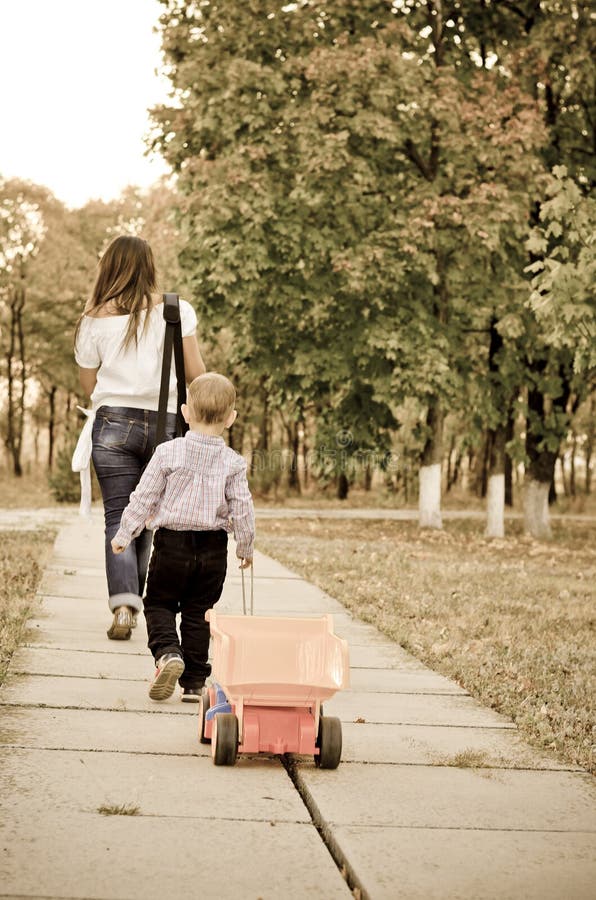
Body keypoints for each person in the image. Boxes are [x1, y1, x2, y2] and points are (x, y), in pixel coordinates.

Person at [74, 235, 206, 640]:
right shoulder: (175, 310)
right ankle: (135, 598)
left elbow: (88, 384)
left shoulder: (92, 319)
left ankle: (125, 603)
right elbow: (197, 375)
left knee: (119, 516)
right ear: (149, 266)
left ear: (107, 266)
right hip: (165, 426)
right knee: (147, 519)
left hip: (112, 424)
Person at [111, 372, 255, 703]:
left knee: (159, 602)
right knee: (198, 610)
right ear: (231, 419)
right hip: (213, 550)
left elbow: (143, 497)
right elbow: (243, 508)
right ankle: (193, 683)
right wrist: (246, 547)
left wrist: (125, 533)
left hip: (172, 545)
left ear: (186, 412)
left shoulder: (167, 453)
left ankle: (166, 653)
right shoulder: (233, 463)